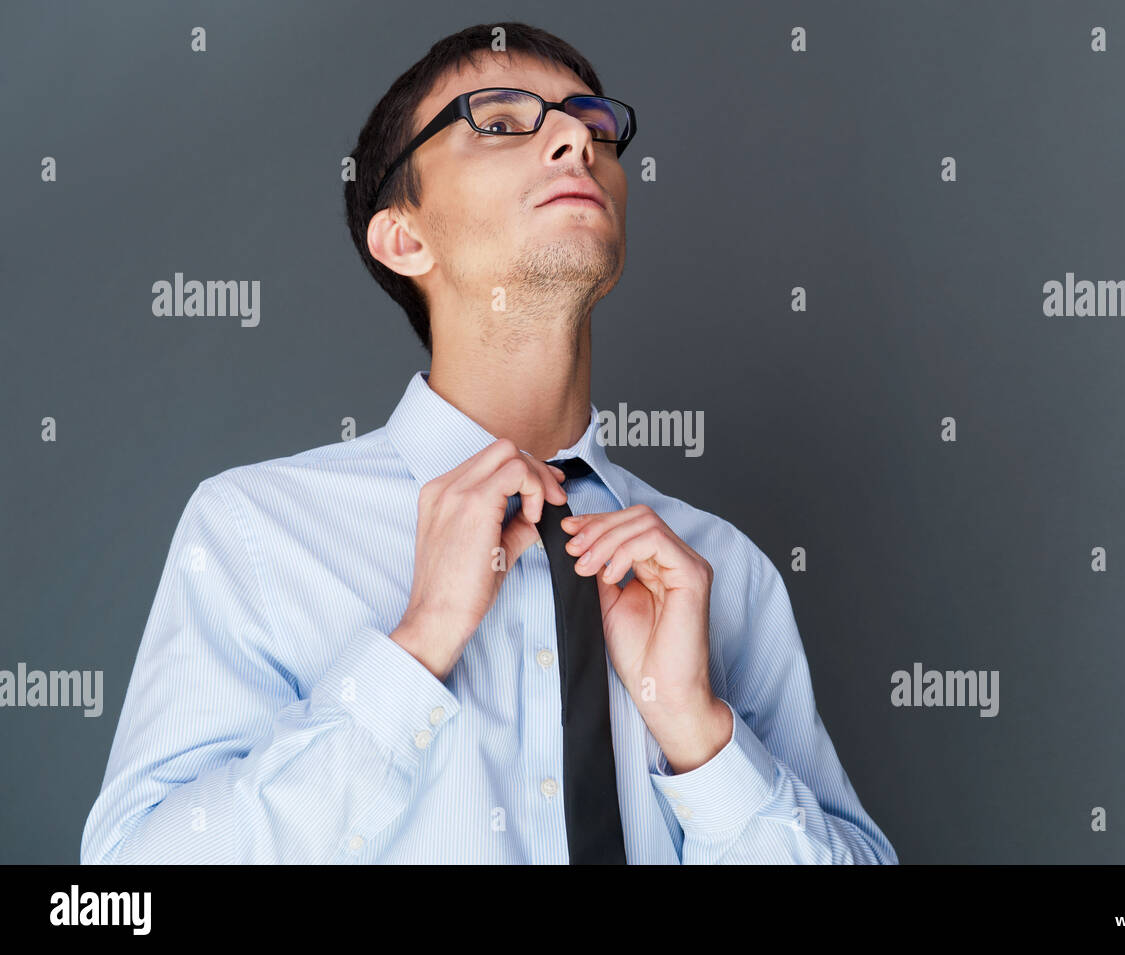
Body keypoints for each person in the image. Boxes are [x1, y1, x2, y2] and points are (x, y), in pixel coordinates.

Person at [81, 21, 898, 865]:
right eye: (502, 120)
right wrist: (419, 644)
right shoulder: (257, 532)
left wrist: (700, 734)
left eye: (595, 125)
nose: (577, 138)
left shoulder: (723, 571)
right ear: (405, 236)